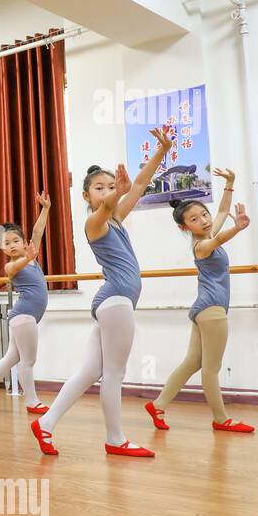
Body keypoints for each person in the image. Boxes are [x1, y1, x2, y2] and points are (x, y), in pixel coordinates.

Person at [29, 127, 174, 458]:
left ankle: (46, 423)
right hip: (116, 301)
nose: (109, 191)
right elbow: (110, 205)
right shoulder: (95, 223)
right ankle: (115, 438)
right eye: (100, 188)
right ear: (85, 196)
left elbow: (137, 186)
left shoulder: (117, 218)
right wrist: (115, 195)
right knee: (115, 373)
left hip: (112, 302)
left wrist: (161, 151)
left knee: (90, 371)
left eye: (111, 186)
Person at [146, 170, 254, 433]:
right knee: (211, 368)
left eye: (203, 214)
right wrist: (236, 229)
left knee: (193, 362)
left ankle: (158, 404)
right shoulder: (201, 246)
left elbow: (220, 212)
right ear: (184, 227)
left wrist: (230, 183)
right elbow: (218, 239)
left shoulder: (207, 232)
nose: (204, 220)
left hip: (204, 308)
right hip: (212, 310)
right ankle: (221, 419)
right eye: (194, 219)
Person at [0, 193, 52, 414]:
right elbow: (16, 268)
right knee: (28, 360)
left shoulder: (31, 256)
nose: (11, 245)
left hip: (23, 317)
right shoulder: (11, 267)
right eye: (6, 243)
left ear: (24, 242)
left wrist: (45, 209)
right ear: (2, 249)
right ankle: (32, 401)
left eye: (15, 240)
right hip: (23, 315)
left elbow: (37, 232)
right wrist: (27, 258)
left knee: (12, 357)